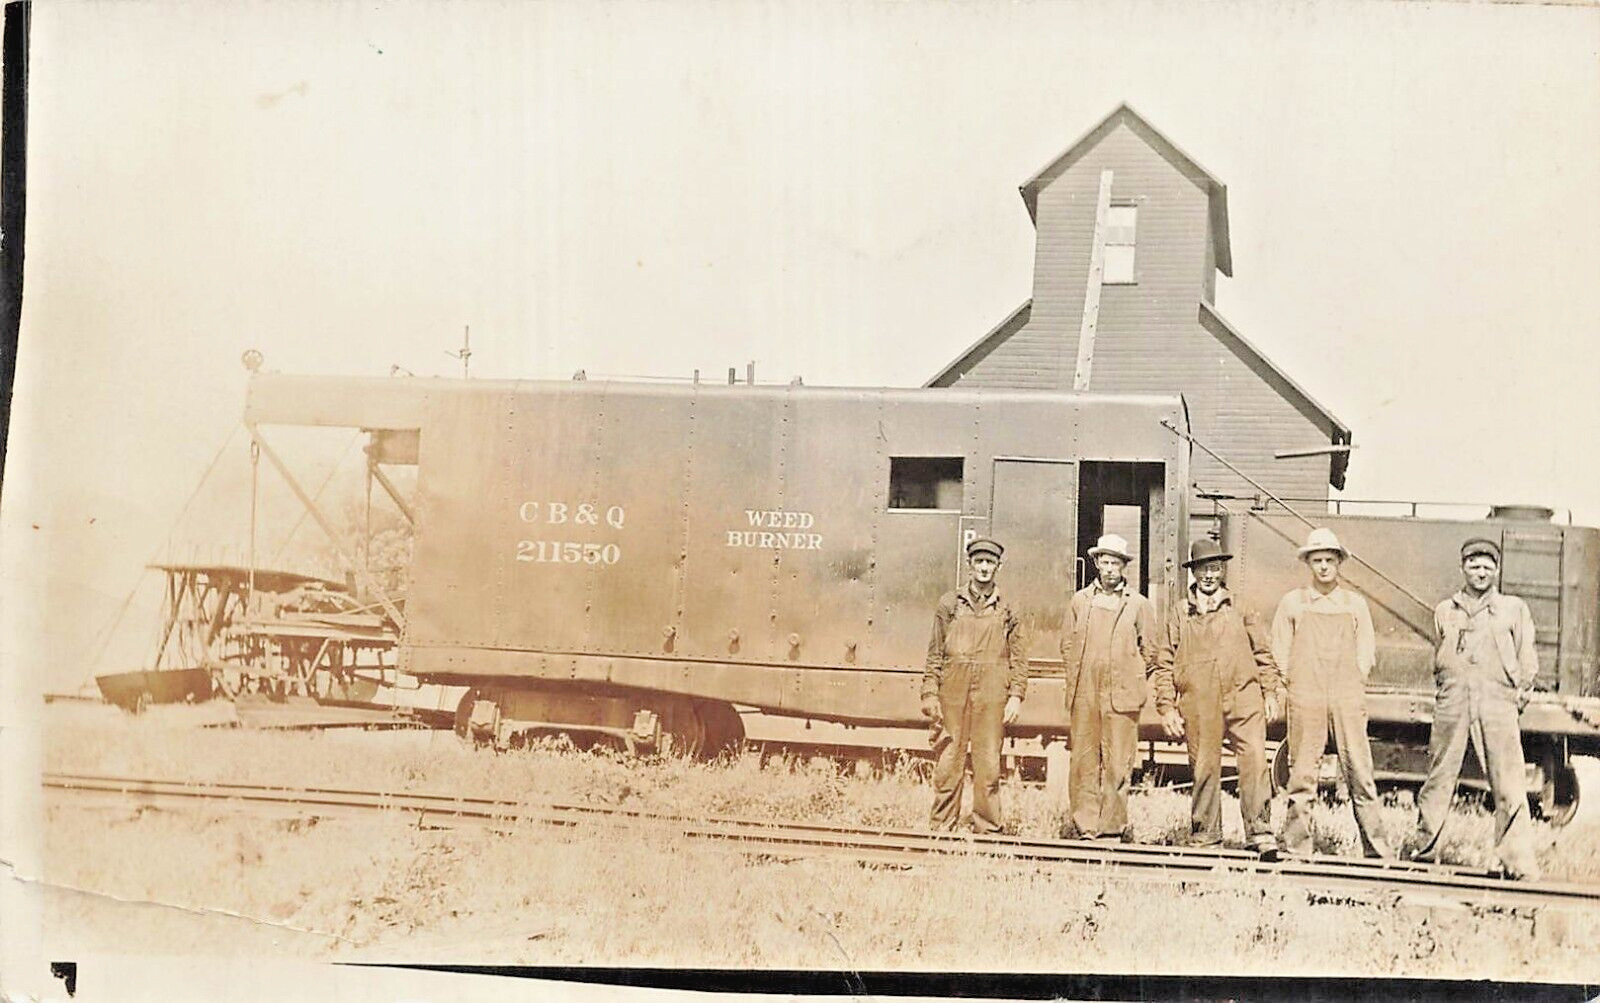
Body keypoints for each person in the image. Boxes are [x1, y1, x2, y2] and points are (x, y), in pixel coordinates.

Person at [1406, 538, 1542, 879]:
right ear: (1463, 568)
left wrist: (1521, 690)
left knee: (1508, 780)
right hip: (1453, 700)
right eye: (1474, 566)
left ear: (1496, 570)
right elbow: (1440, 654)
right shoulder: (1445, 610)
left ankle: (1516, 862)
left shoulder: (1513, 609)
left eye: (1487, 567)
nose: (1480, 573)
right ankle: (1423, 853)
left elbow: (1527, 654)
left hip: (1497, 701)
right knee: (1438, 777)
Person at [1153, 538, 1284, 854]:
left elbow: (1263, 653)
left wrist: (1270, 692)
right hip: (1199, 701)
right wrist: (1167, 707)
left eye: (1214, 568)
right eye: (1203, 569)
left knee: (1255, 760)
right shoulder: (1180, 613)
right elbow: (1164, 662)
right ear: (1194, 573)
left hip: (1244, 695)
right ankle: (1207, 836)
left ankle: (1260, 833)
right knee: (1204, 766)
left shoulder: (1240, 607)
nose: (1209, 575)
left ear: (1222, 571)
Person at [1271, 527, 1392, 858]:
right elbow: (1280, 649)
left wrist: (1353, 681)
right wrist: (1296, 683)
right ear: (1308, 563)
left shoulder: (1355, 604)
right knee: (1302, 774)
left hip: (1346, 695)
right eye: (1317, 560)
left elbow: (1366, 650)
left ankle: (1377, 852)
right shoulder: (1293, 602)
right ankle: (1297, 848)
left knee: (1360, 773)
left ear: (1339, 562)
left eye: (1329, 560)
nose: (1323, 566)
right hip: (1306, 696)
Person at [920, 536, 1027, 833]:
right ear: (970, 565)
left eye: (989, 562)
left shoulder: (1008, 608)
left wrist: (1016, 696)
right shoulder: (949, 604)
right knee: (948, 763)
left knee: (989, 765)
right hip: (952, 693)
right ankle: (942, 829)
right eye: (979, 561)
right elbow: (935, 653)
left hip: (992, 695)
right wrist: (930, 693)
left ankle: (988, 830)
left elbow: (1020, 658)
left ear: (998, 567)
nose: (984, 567)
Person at [1059, 534, 1157, 840]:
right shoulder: (1080, 601)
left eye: (1116, 563)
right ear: (1096, 564)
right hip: (1085, 693)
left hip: (1121, 695)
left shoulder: (1138, 605)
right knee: (1084, 760)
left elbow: (1151, 651)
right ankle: (1086, 826)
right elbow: (1067, 644)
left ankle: (1112, 828)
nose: (1110, 569)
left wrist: (1129, 674)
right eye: (1105, 562)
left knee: (1117, 762)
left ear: (1124, 566)